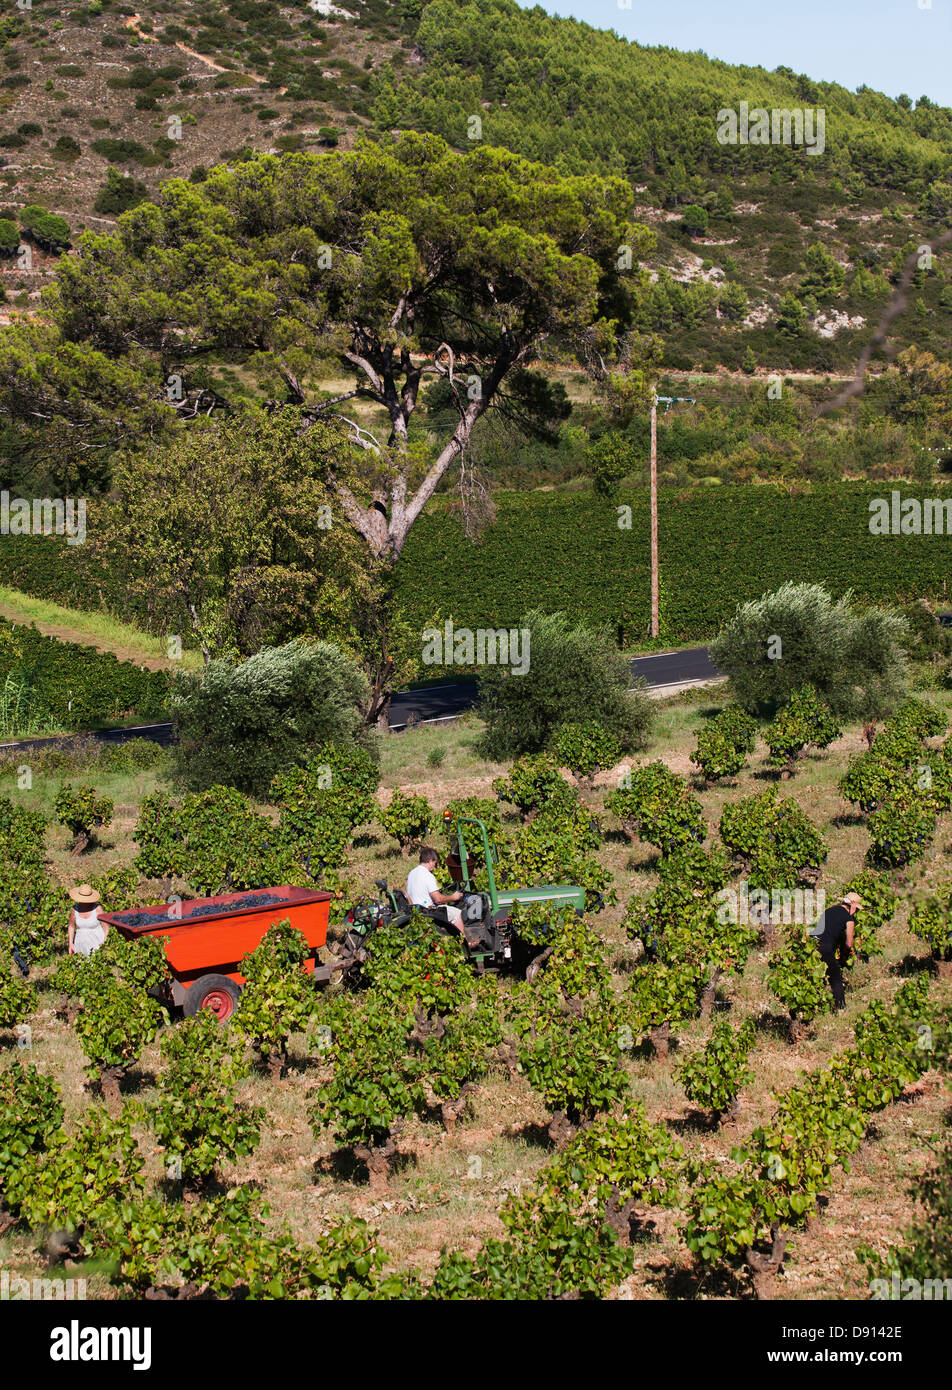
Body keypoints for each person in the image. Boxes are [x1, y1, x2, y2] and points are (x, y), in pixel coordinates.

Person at [810, 891, 862, 1011]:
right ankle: (841, 1008)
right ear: (853, 906)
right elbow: (849, 943)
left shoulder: (828, 910)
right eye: (857, 909)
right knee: (836, 978)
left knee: (814, 976)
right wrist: (845, 954)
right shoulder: (849, 919)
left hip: (812, 944)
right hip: (825, 947)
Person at [406, 847, 465, 934]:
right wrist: (453, 897)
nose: (435, 866)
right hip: (427, 911)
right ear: (430, 861)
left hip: (415, 909)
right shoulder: (427, 875)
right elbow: (438, 899)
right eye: (435, 863)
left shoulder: (412, 873)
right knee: (456, 913)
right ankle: (464, 942)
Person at [68, 883, 109, 958]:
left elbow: (106, 927)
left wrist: (104, 943)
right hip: (80, 943)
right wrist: (70, 943)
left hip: (96, 943)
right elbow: (71, 926)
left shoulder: (97, 909)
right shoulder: (75, 909)